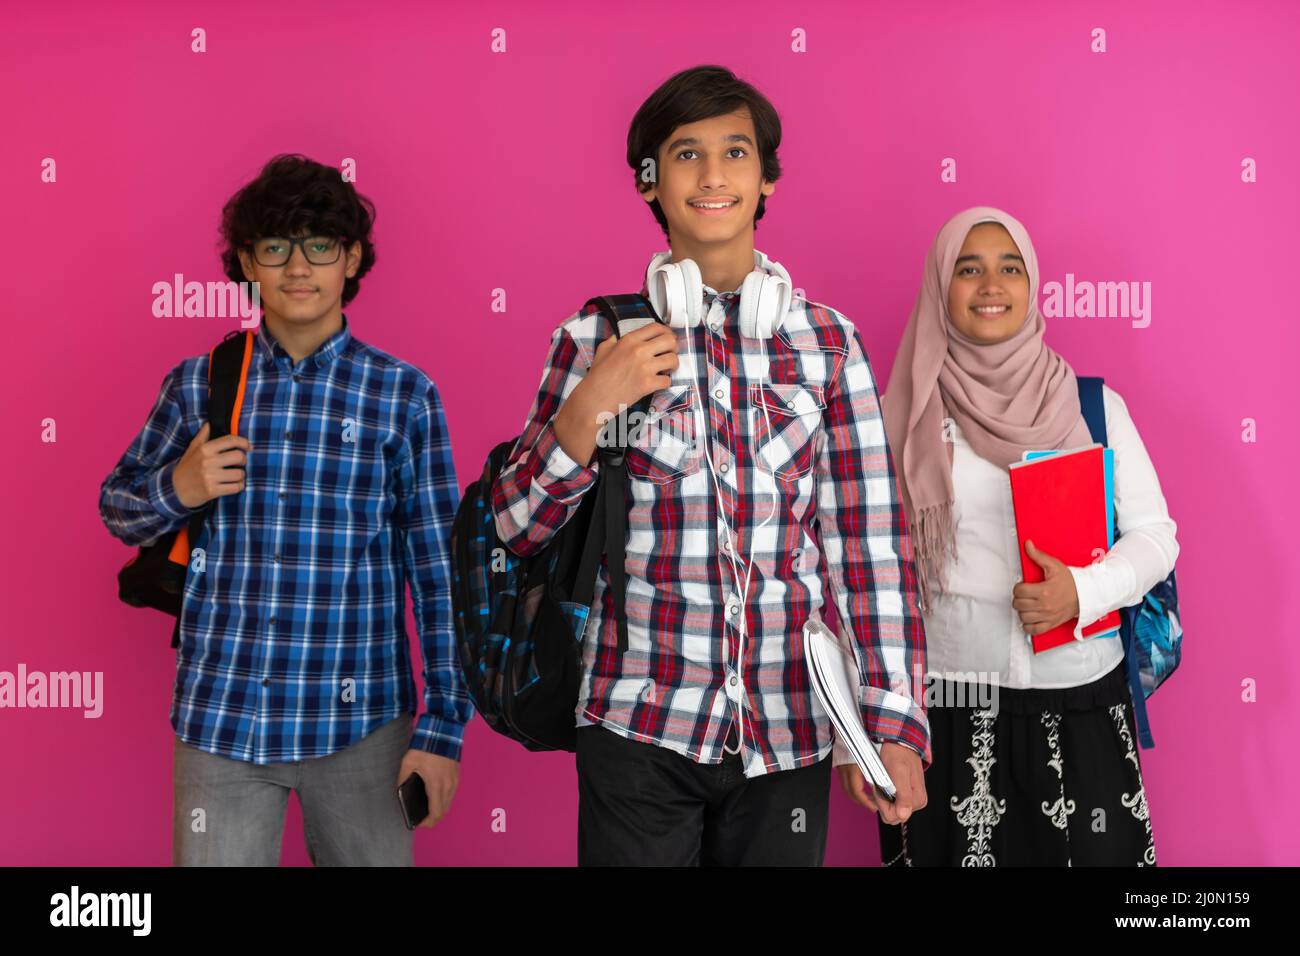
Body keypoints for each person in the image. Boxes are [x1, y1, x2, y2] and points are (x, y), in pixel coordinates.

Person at [491, 65, 930, 866]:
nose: (715, 174)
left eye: (736, 151)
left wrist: (894, 723)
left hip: (789, 730)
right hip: (637, 724)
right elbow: (518, 526)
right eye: (686, 154)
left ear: (766, 177)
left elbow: (870, 550)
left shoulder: (829, 344)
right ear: (651, 184)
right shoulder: (594, 339)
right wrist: (592, 404)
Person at [99, 154, 470, 865]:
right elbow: (118, 511)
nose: (297, 267)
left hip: (362, 728)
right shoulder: (199, 383)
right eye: (274, 247)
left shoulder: (403, 396)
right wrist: (181, 485)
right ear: (248, 261)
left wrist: (443, 728)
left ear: (351, 257)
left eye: (319, 245)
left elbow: (438, 572)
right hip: (222, 723)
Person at [860, 206, 1177, 866]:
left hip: (1081, 699)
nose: (991, 285)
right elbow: (866, 571)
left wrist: (1082, 592)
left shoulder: (1092, 405)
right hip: (949, 708)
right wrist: (863, 735)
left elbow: (1156, 536)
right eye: (968, 270)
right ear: (940, 286)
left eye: (1010, 268)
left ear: (1032, 285)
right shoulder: (907, 411)